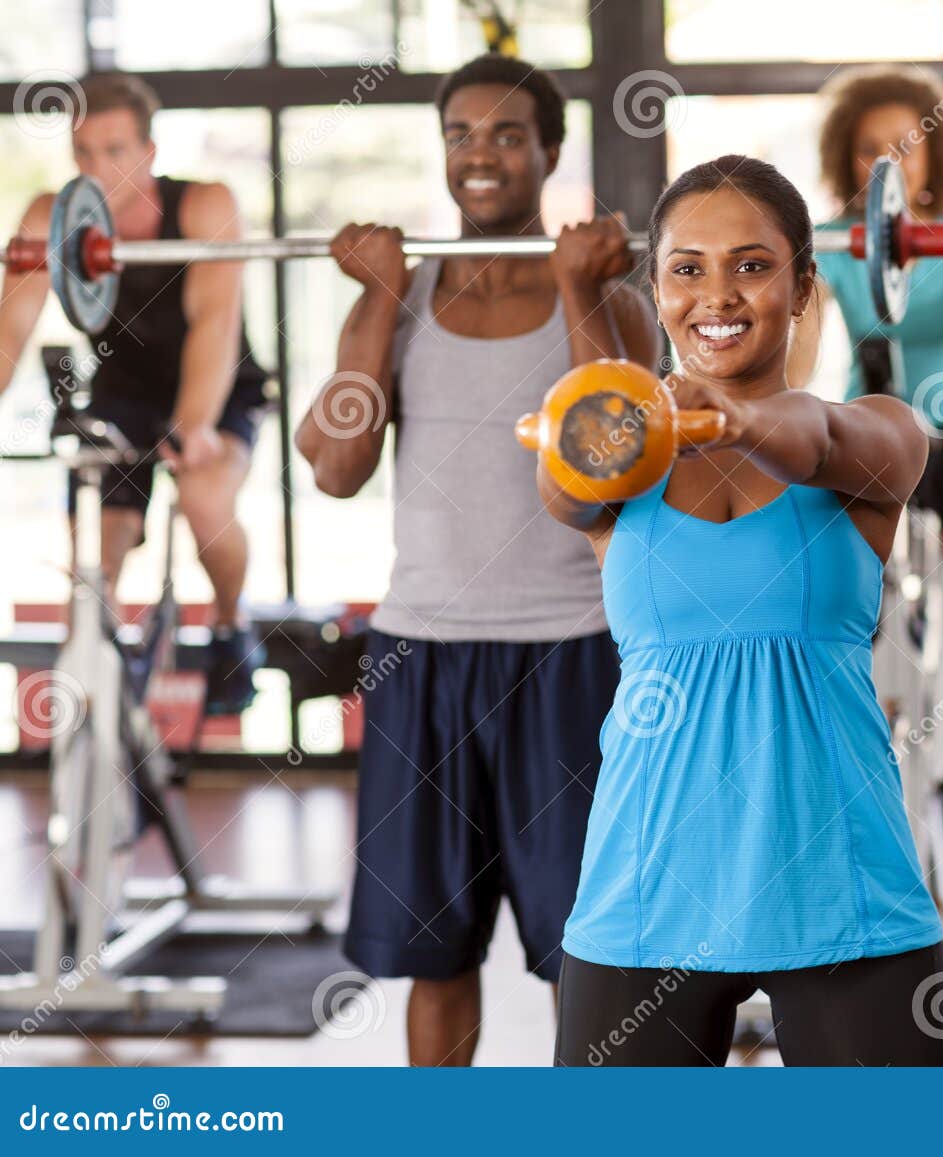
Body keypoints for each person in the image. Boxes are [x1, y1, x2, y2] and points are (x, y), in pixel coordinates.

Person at [546, 155, 943, 1067]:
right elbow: (568, 478)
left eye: (752, 264)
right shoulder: (625, 452)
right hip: (646, 884)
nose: (716, 293)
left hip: (843, 880)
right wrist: (582, 304)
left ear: (804, 283)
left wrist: (730, 415)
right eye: (686, 268)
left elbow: (818, 439)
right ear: (656, 289)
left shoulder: (877, 431)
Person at [295, 54, 660, 1066]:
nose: (480, 155)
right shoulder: (396, 297)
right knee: (434, 958)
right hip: (423, 656)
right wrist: (375, 301)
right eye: (461, 134)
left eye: (505, 135)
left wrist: (584, 288)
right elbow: (333, 466)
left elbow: (617, 467)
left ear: (548, 150)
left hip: (572, 653)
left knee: (587, 957)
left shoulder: (607, 297)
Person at [0, 72, 268, 714]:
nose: (97, 167)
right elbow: (10, 327)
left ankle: (232, 625)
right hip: (121, 390)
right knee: (95, 553)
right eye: (84, 151)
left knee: (205, 500)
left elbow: (214, 325)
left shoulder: (205, 204)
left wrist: (193, 424)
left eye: (115, 150)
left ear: (148, 152)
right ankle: (91, 728)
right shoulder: (49, 217)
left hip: (218, 386)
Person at [799, 66, 943, 719]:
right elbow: (802, 342)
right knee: (823, 500)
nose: (886, 163)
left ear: (933, 152)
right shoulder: (834, 239)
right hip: (867, 416)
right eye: (870, 148)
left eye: (903, 146)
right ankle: (840, 645)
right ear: (846, 156)